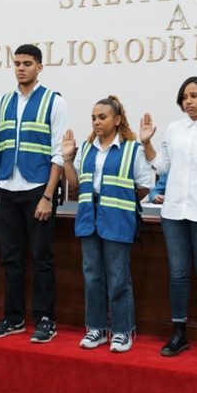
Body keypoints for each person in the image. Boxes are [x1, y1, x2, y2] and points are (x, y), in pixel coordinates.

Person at [0, 44, 69, 343]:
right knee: (11, 258)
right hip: (6, 189)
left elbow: (58, 154)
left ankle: (45, 319)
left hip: (37, 190)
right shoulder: (1, 102)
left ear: (39, 67)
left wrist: (47, 195)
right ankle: (14, 318)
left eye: (27, 63)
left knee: (42, 258)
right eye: (16, 63)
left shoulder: (54, 101)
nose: (20, 68)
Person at [140, 76, 197, 363]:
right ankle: (179, 333)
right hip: (174, 214)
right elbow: (162, 166)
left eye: (194, 95)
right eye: (184, 97)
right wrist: (147, 144)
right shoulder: (174, 129)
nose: (188, 101)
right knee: (178, 274)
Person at [62, 96, 152, 352]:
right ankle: (97, 328)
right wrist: (68, 159)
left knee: (118, 278)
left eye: (102, 117)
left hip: (118, 220)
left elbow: (144, 186)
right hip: (89, 219)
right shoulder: (87, 148)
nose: (96, 122)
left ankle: (123, 330)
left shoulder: (132, 149)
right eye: (93, 118)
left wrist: (120, 202)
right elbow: (74, 183)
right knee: (92, 276)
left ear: (117, 120)